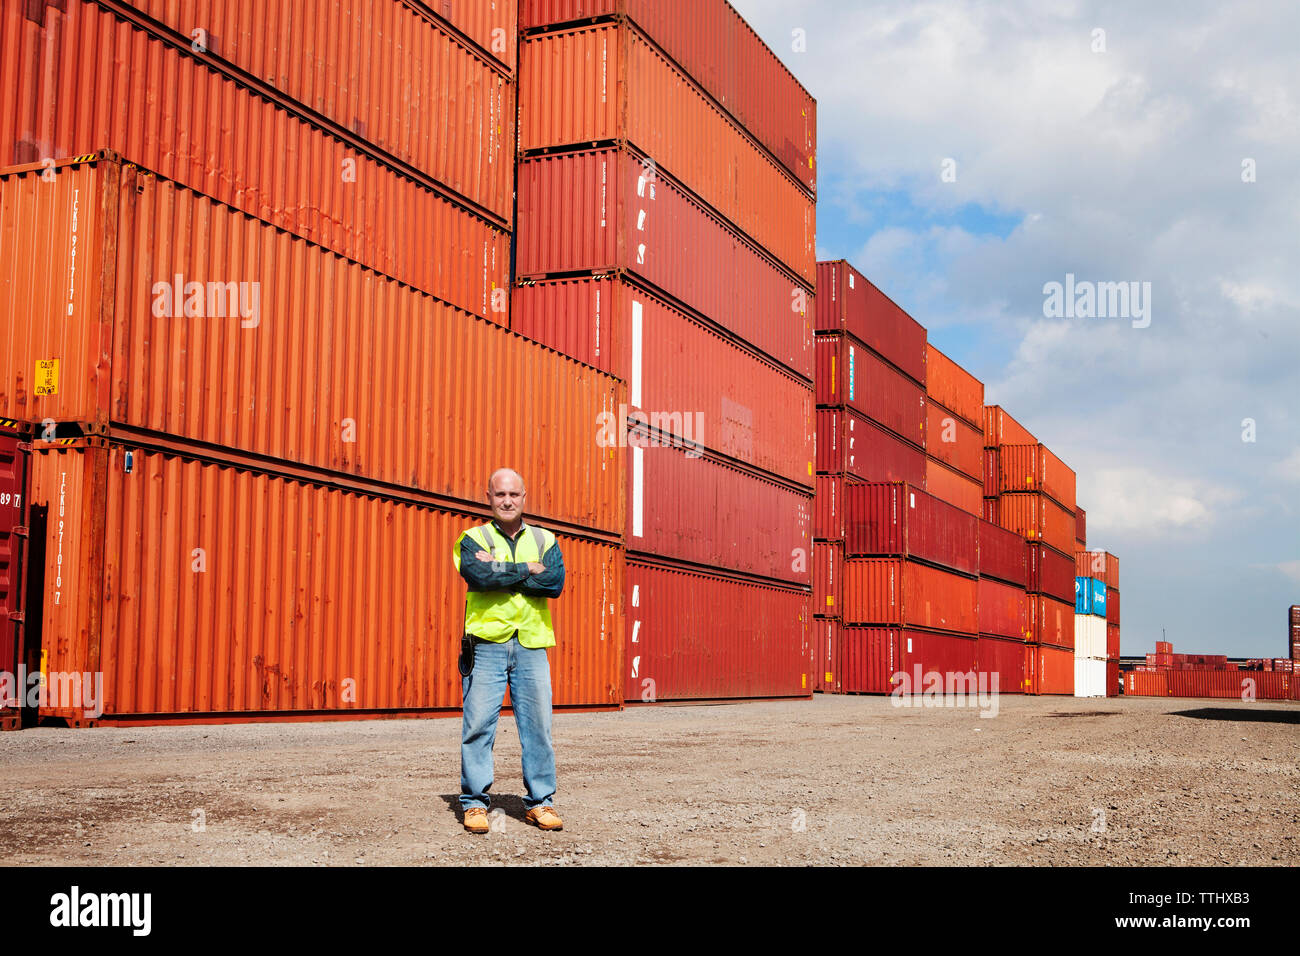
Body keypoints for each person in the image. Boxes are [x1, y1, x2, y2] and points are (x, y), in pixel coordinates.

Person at [453, 468, 566, 834]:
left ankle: (540, 802)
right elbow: (479, 577)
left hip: (531, 645)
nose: (507, 501)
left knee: (538, 729)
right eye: (500, 494)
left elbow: (553, 582)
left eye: (513, 495)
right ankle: (473, 803)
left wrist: (504, 571)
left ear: (524, 496)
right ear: (488, 496)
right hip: (486, 645)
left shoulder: (546, 539)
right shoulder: (473, 538)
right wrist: (525, 570)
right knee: (478, 726)